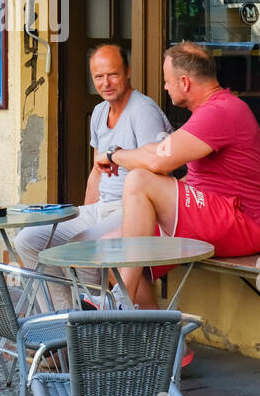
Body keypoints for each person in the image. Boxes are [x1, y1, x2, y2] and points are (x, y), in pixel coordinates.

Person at [99, 41, 260, 308]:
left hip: (244, 224)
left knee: (139, 179)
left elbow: (156, 161)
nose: (165, 87)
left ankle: (121, 302)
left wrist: (114, 155)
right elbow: (163, 159)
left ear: (185, 82)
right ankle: (166, 346)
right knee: (110, 249)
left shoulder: (221, 111)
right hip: (217, 213)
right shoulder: (209, 111)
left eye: (167, 81)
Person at [14, 42, 171, 292]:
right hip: (101, 208)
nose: (105, 83)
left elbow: (158, 167)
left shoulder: (142, 111)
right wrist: (85, 215)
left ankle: (91, 319)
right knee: (28, 240)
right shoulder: (99, 112)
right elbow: (97, 171)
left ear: (128, 72)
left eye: (113, 74)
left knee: (82, 250)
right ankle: (60, 319)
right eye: (98, 76)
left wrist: (120, 157)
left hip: (132, 209)